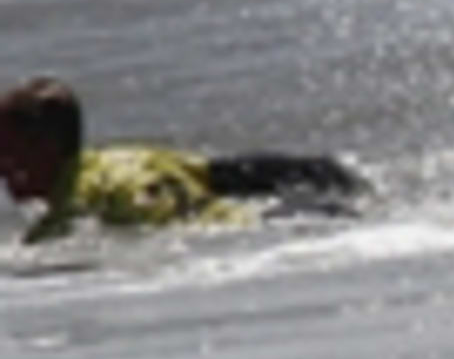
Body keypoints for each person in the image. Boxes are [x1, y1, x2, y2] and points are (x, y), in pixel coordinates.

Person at [4, 76, 368, 245]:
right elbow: (231, 173)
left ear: (44, 148)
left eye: (5, 149)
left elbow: (169, 225)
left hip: (266, 233)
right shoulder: (131, 155)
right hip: (290, 210)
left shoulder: (77, 204)